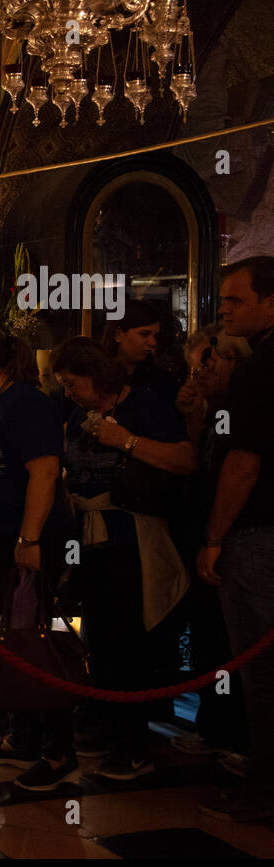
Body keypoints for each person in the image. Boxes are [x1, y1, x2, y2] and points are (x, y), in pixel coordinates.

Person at [52, 338, 195, 781]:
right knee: (99, 637)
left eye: (73, 383)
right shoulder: (76, 414)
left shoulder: (146, 406)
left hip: (131, 537)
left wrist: (126, 441)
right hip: (88, 535)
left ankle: (132, 746)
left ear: (98, 377)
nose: (69, 392)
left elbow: (185, 459)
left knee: (127, 640)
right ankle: (105, 725)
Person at [0, 326, 75, 791]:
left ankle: (59, 748)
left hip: (30, 542)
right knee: (14, 639)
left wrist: (30, 538)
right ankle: (21, 735)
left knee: (36, 640)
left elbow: (43, 471)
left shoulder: (27, 403)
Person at [196, 256, 274, 821]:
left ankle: (264, 792)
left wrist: (215, 538)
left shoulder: (259, 369)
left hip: (258, 535)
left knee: (261, 669)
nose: (223, 311)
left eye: (236, 300)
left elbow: (244, 463)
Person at [172, 326, 251, 760]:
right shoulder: (217, 413)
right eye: (196, 364)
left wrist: (215, 538)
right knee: (208, 637)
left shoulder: (245, 410)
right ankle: (216, 727)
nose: (201, 372)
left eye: (209, 361)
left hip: (231, 541)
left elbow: (236, 472)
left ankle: (235, 737)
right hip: (204, 537)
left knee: (229, 639)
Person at [101, 298, 180, 407]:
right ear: (118, 334)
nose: (152, 342)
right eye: (144, 334)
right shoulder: (97, 378)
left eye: (155, 336)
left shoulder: (162, 383)